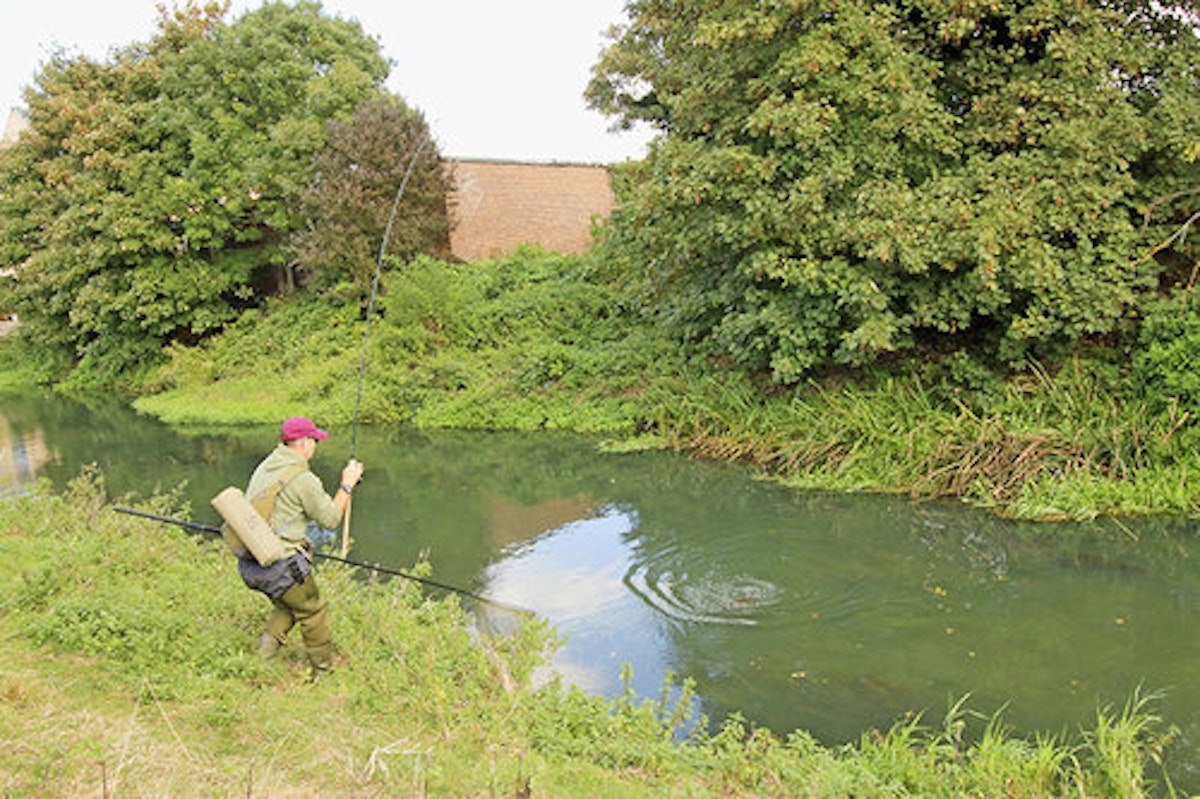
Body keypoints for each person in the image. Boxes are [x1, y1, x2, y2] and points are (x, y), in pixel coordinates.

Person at [237, 415, 364, 679]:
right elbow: (330, 519)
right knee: (313, 609)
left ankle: (263, 658)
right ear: (303, 442)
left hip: (251, 563)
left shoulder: (269, 464)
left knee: (288, 605)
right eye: (314, 440)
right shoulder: (303, 478)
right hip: (280, 567)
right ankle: (323, 672)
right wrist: (347, 484)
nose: (316, 445)